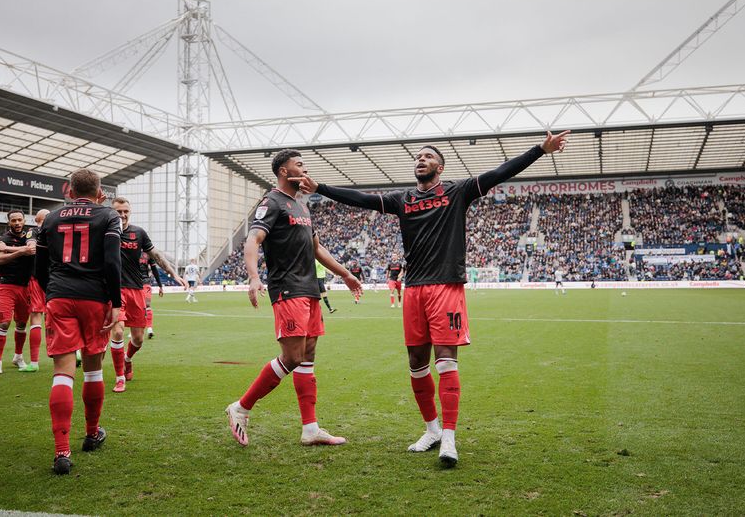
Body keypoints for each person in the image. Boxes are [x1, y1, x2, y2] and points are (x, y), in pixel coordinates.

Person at [293, 131, 569, 467]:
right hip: (414, 289)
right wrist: (321, 188)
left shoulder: (458, 191)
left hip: (446, 287)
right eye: (417, 157)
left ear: (440, 165)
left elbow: (501, 172)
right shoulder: (403, 199)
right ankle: (432, 429)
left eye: (426, 156)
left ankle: (450, 439)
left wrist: (541, 149)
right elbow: (361, 199)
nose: (420, 160)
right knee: (416, 363)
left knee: (446, 361)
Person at [224, 149, 362, 448]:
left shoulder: (301, 206)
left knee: (308, 356)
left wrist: (345, 274)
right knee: (292, 357)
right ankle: (241, 407)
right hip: (288, 288)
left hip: (309, 289)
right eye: (300, 165)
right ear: (284, 172)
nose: (306, 170)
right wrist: (253, 276)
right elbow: (253, 239)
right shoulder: (271, 201)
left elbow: (317, 248)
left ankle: (310, 429)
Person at [34, 169, 121, 475]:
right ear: (100, 193)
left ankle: (61, 451)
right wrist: (116, 303)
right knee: (94, 370)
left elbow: (39, 270)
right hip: (95, 299)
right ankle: (93, 433)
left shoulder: (51, 219)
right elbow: (112, 262)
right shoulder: (109, 216)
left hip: (59, 296)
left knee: (62, 374)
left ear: (68, 192)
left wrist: (53, 293)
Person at [110, 197, 188, 393]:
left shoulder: (139, 233)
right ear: (112, 212)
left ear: (130, 211)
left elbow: (157, 256)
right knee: (118, 332)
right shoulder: (106, 232)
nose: (122, 215)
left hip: (136, 289)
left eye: (125, 211)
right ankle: (119, 377)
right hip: (114, 289)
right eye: (118, 211)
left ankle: (127, 360)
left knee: (138, 339)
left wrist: (174, 274)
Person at [0, 210, 36, 374]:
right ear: (9, 222)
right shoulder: (1, 239)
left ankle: (18, 357)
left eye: (19, 220)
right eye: (13, 220)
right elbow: (0, 259)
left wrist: (12, 250)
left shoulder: (30, 235)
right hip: (6, 286)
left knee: (22, 323)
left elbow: (31, 249)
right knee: (4, 322)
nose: (17, 223)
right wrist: (20, 252)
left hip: (25, 287)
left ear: (24, 221)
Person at [20, 209, 51, 373]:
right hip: (56, 279)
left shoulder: (34, 231)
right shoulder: (56, 230)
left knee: (36, 318)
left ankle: (34, 362)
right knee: (59, 317)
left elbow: (31, 248)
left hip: (38, 278)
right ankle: (75, 352)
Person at [140, 252, 163, 339]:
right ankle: (136, 328)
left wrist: (160, 285)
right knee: (137, 307)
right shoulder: (131, 250)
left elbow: (154, 269)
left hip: (145, 281)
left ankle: (149, 328)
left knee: (147, 304)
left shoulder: (148, 253)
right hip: (134, 282)